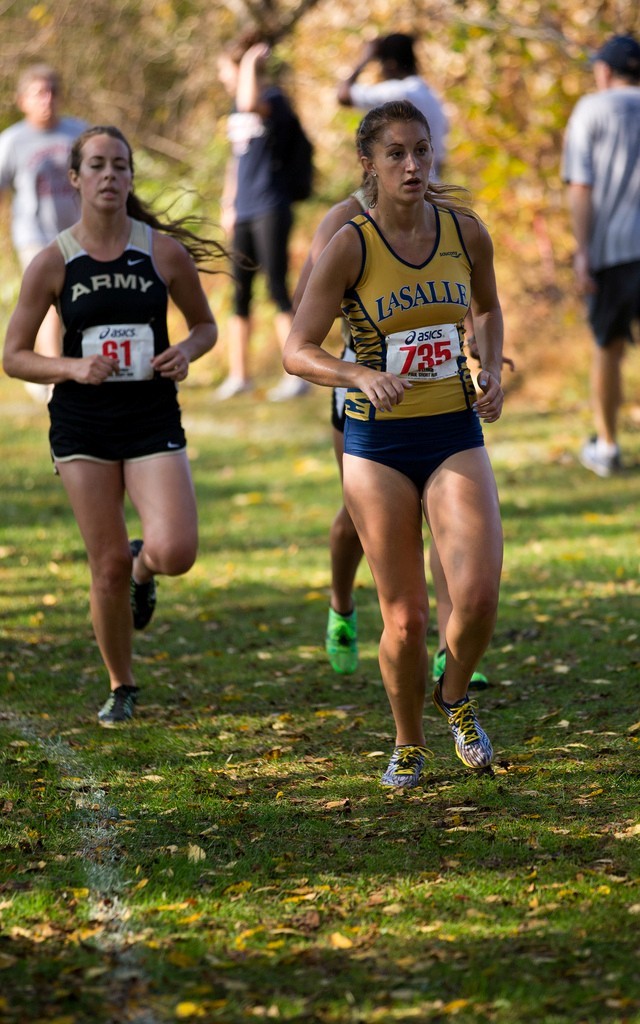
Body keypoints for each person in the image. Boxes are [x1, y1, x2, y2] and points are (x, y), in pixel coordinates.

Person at [284, 100, 504, 787]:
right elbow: (296, 348)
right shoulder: (351, 242)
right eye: (396, 154)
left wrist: (491, 368)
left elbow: (487, 306)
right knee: (406, 621)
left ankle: (454, 696)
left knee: (478, 597)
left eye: (421, 151)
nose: (413, 166)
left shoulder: (465, 231)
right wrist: (357, 374)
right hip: (376, 443)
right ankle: (408, 741)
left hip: (453, 429)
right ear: (369, 165)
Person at [3, 125, 225, 728]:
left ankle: (143, 568)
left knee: (175, 550)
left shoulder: (162, 253)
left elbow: (205, 327)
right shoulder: (54, 261)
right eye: (97, 165)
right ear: (75, 178)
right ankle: (121, 684)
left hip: (150, 416)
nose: (109, 175)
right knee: (104, 565)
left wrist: (186, 352)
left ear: (130, 178)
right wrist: (71, 367)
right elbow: (13, 356)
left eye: (120, 165)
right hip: (84, 425)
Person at [562, 34, 640, 478]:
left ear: (606, 71)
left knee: (608, 346)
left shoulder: (591, 109)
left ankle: (607, 447)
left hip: (615, 250)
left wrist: (582, 251)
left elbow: (581, 186)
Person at [215, 33, 309, 403]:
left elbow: (249, 101)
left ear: (242, 69)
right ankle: (239, 376)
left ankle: (297, 374)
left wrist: (251, 63)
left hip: (271, 207)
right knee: (239, 292)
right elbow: (235, 159)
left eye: (225, 69)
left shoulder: (272, 100)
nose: (222, 77)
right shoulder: (235, 109)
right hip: (243, 210)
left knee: (276, 288)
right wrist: (228, 204)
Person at [0, 64, 87, 401]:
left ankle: (56, 365)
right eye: (38, 93)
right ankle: (54, 377)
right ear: (22, 100)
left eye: (52, 91)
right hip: (34, 235)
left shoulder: (79, 134)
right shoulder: (12, 141)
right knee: (49, 301)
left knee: (74, 302)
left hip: (78, 235)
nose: (47, 99)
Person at [337, 33, 448, 176]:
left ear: (391, 64)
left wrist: (365, 58)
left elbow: (343, 96)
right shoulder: (431, 96)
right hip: (430, 181)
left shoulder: (399, 92)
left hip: (406, 182)